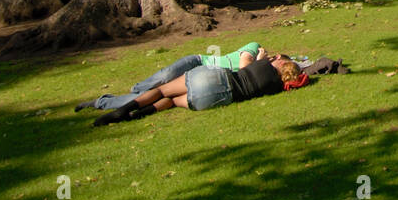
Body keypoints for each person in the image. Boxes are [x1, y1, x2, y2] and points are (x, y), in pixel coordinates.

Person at [91, 53, 308, 126]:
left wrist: (260, 57)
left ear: (280, 64)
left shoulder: (264, 64)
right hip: (220, 97)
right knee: (175, 101)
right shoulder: (276, 88)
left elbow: (244, 65)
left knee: (163, 90)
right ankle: (139, 116)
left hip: (218, 77)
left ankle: (124, 109)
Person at [75, 42, 264, 112]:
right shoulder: (255, 47)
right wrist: (260, 60)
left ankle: (102, 103)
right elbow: (243, 68)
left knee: (157, 97)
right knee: (161, 80)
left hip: (204, 80)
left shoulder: (261, 72)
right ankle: (139, 90)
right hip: (198, 63)